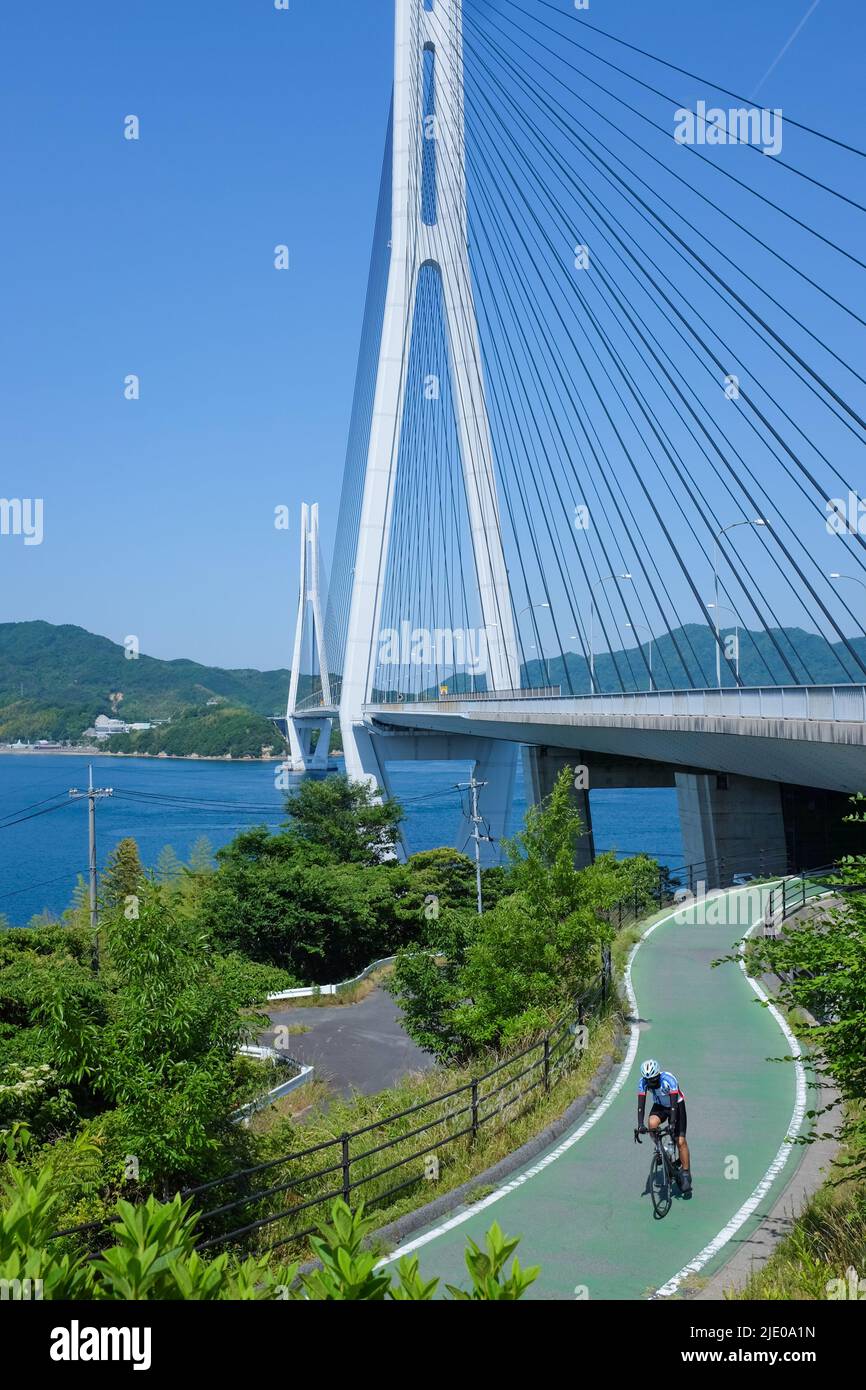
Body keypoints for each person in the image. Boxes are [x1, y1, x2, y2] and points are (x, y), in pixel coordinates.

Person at [634, 1058, 692, 1195]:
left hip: (676, 1106)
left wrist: (672, 1123)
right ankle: (660, 1148)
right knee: (652, 1124)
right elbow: (640, 1106)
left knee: (680, 1140)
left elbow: (673, 1105)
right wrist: (640, 1124)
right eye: (648, 1081)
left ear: (658, 1075)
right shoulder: (642, 1083)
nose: (651, 1083)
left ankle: (685, 1172)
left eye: (653, 1080)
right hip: (660, 1106)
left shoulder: (669, 1079)